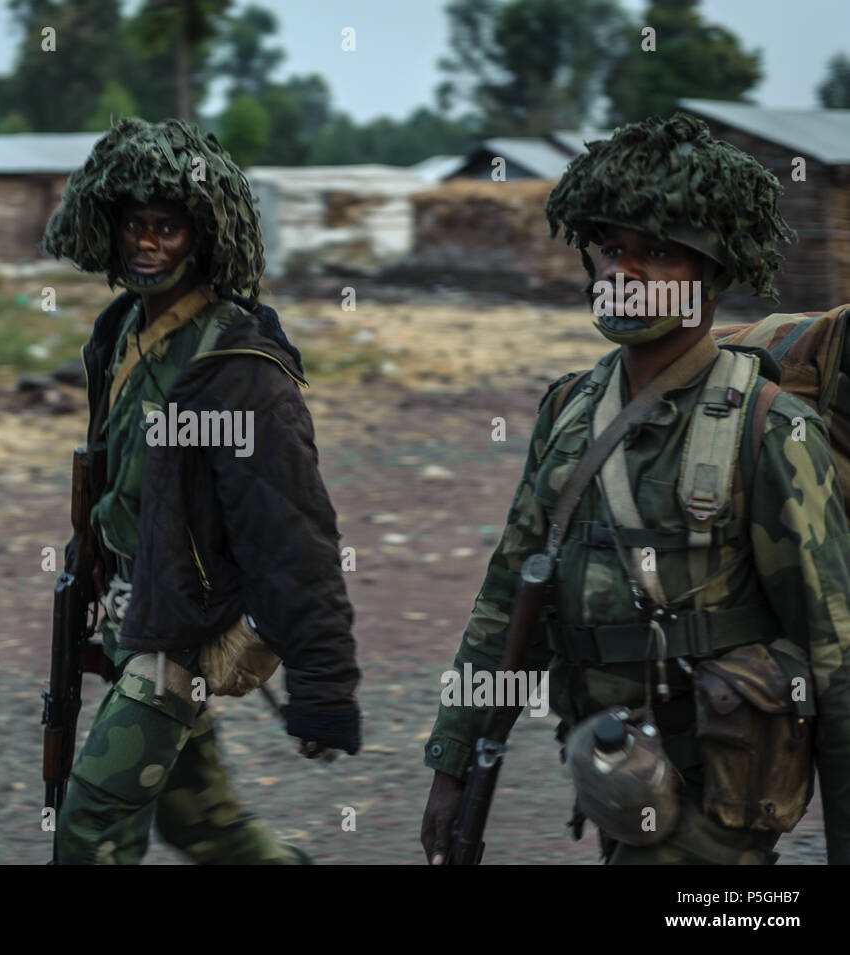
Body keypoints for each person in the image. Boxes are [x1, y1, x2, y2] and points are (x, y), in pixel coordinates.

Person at [420, 113, 850, 865]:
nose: (623, 273)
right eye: (612, 250)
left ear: (711, 275)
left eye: (657, 253)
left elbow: (835, 661)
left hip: (725, 788)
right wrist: (452, 762)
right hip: (620, 777)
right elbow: (503, 605)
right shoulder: (568, 409)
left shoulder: (769, 429)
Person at [41, 117, 362, 865]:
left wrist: (323, 689)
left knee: (90, 823)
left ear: (205, 237)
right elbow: (119, 482)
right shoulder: (119, 332)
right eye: (134, 226)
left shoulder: (237, 363)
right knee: (203, 823)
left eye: (168, 229)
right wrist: (87, 559)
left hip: (184, 632)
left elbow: (294, 534)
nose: (147, 243)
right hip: (131, 612)